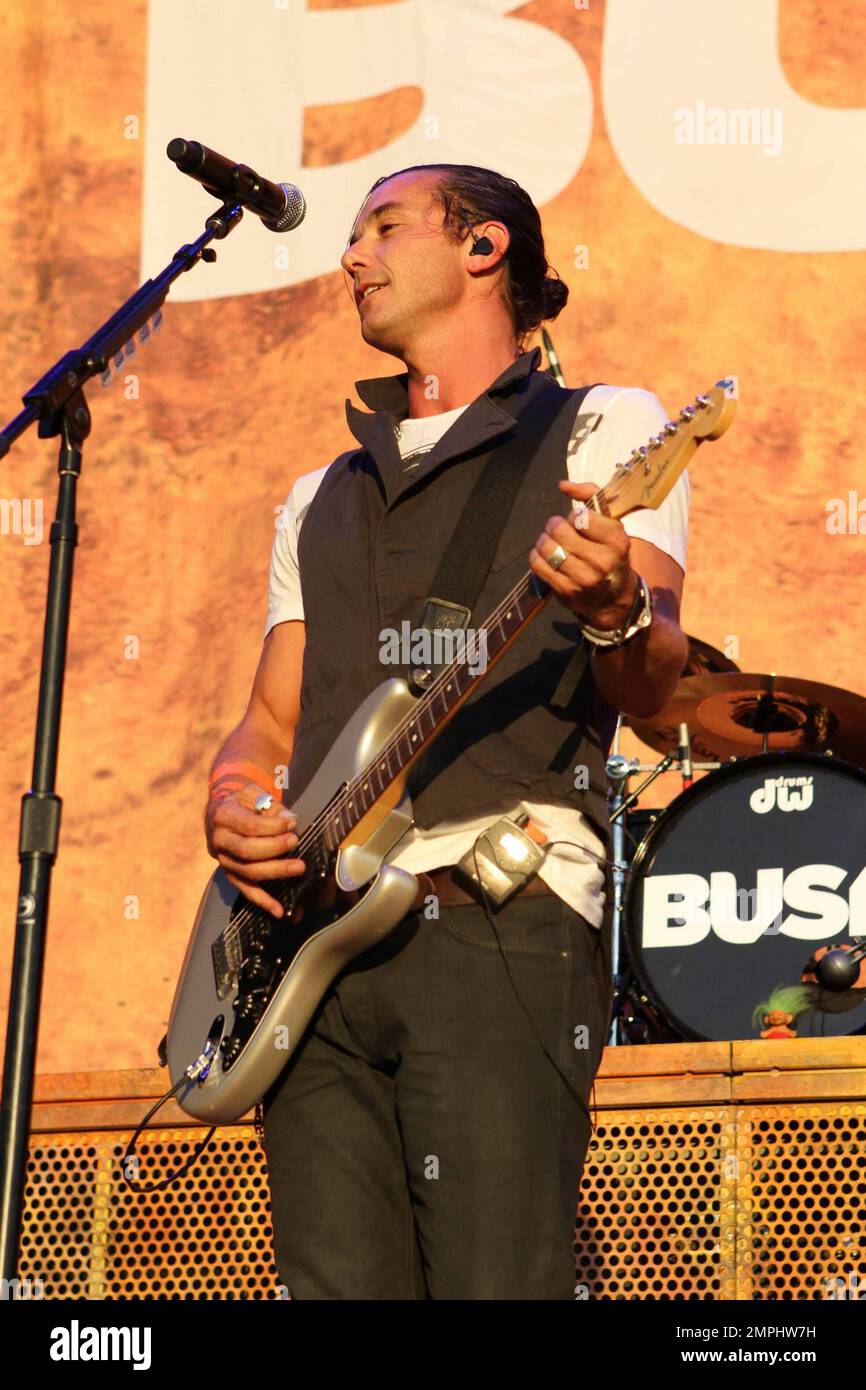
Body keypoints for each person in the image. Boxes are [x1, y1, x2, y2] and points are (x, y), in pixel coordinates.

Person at [204, 163, 689, 1299]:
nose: (350, 257)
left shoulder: (603, 429)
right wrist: (233, 801)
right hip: (307, 957)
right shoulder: (315, 496)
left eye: (382, 228)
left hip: (494, 912)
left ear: (483, 251)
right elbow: (265, 724)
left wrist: (615, 607)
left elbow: (657, 680)